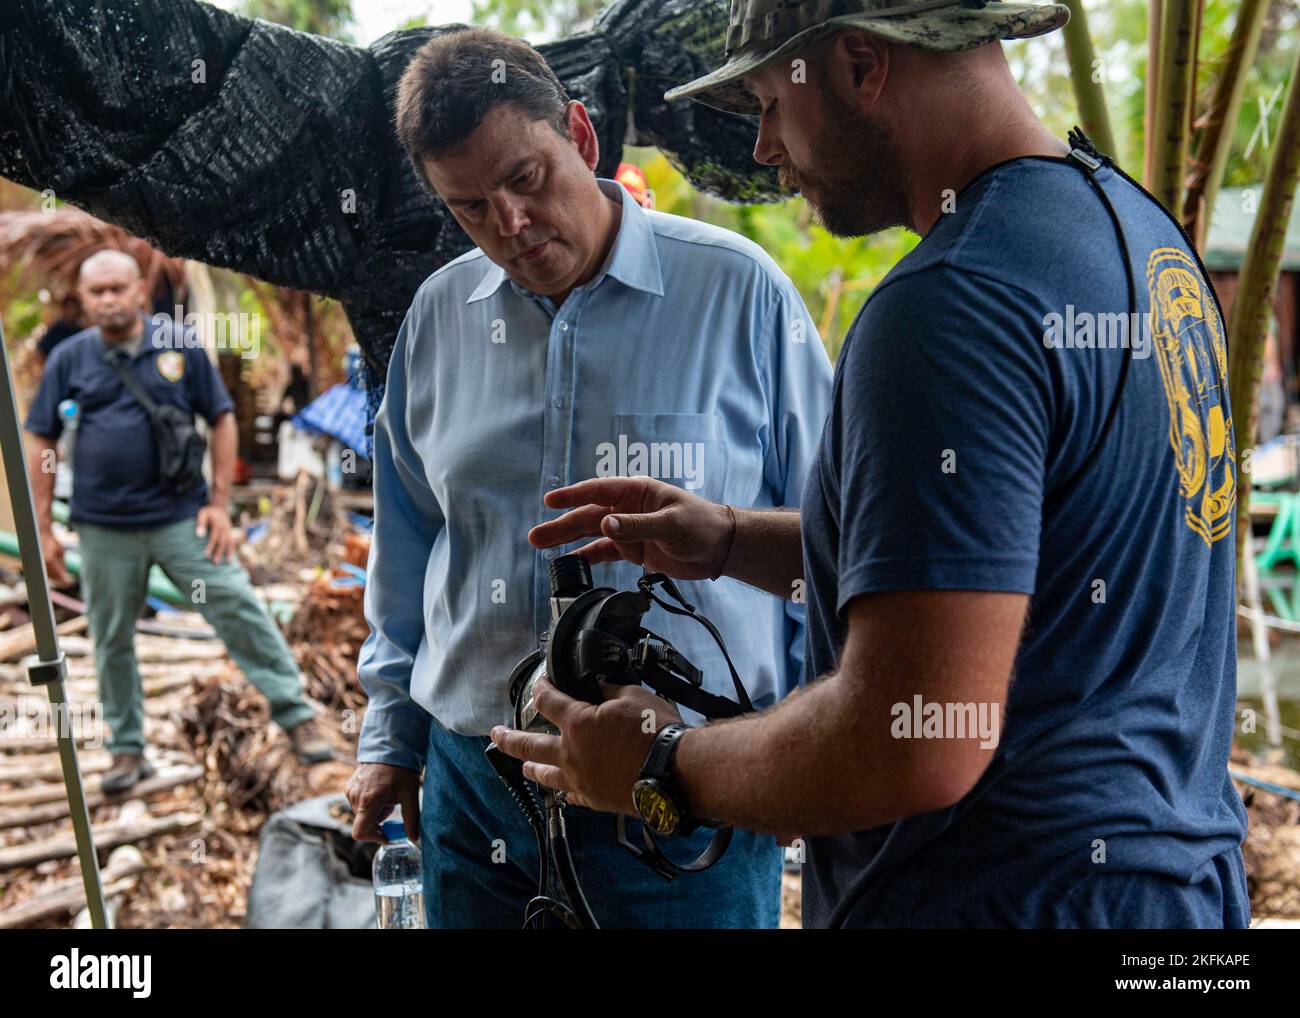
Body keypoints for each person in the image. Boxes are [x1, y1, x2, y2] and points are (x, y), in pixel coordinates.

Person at [493, 0, 1250, 929]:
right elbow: (1015, 566)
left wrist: (658, 765)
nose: (767, 147)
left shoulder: (950, 306)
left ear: (858, 64)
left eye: (771, 101)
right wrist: (730, 539)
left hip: (1002, 903)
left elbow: (913, 741)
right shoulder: (1134, 232)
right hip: (1175, 901)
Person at [345, 27, 833, 929]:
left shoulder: (740, 295)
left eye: (525, 180)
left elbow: (840, 546)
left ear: (579, 134)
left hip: (682, 791)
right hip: (475, 792)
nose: (511, 227)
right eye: (470, 208)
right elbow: (409, 541)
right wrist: (392, 737)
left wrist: (802, 765)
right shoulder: (438, 318)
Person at [25, 250, 332, 792]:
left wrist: (218, 503)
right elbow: (41, 438)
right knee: (110, 636)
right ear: (85, 298)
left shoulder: (178, 345)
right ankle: (126, 751)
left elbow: (220, 417)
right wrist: (43, 525)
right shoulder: (70, 359)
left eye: (118, 288)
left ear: (140, 291)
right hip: (102, 529)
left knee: (235, 603)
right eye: (97, 292)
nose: (108, 299)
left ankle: (296, 716)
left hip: (178, 517)